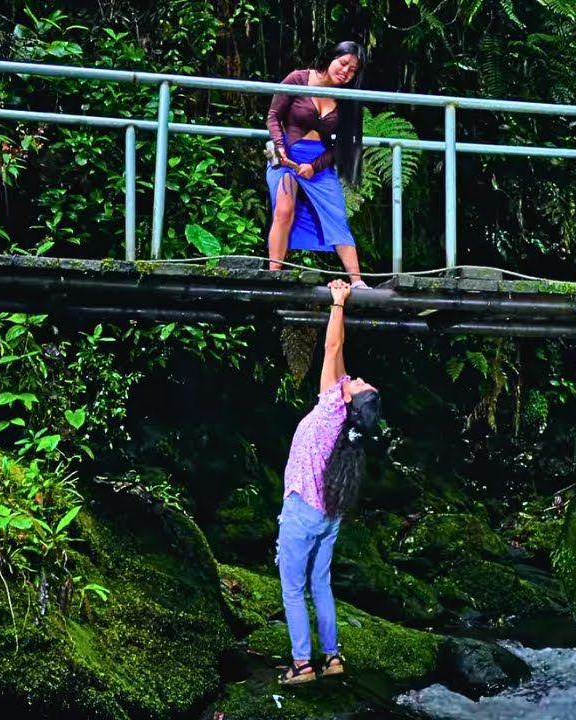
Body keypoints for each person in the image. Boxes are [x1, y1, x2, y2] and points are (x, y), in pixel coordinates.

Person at [276, 279, 383, 684]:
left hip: (303, 510)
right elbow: (340, 362)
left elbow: (332, 350)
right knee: (320, 584)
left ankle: (302, 663)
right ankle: (332, 657)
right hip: (329, 515)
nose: (355, 379)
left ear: (348, 401)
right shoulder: (343, 420)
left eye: (360, 385)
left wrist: (338, 303)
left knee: (292, 590)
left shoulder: (327, 411)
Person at [265, 41, 370, 288]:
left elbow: (342, 146)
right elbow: (273, 116)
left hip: (319, 165)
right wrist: (280, 147)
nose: (346, 72)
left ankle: (357, 281)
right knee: (283, 208)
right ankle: (273, 274)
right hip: (287, 158)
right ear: (331, 58)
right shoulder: (299, 79)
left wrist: (315, 166)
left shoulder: (346, 99)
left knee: (337, 215)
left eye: (353, 70)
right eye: (343, 63)